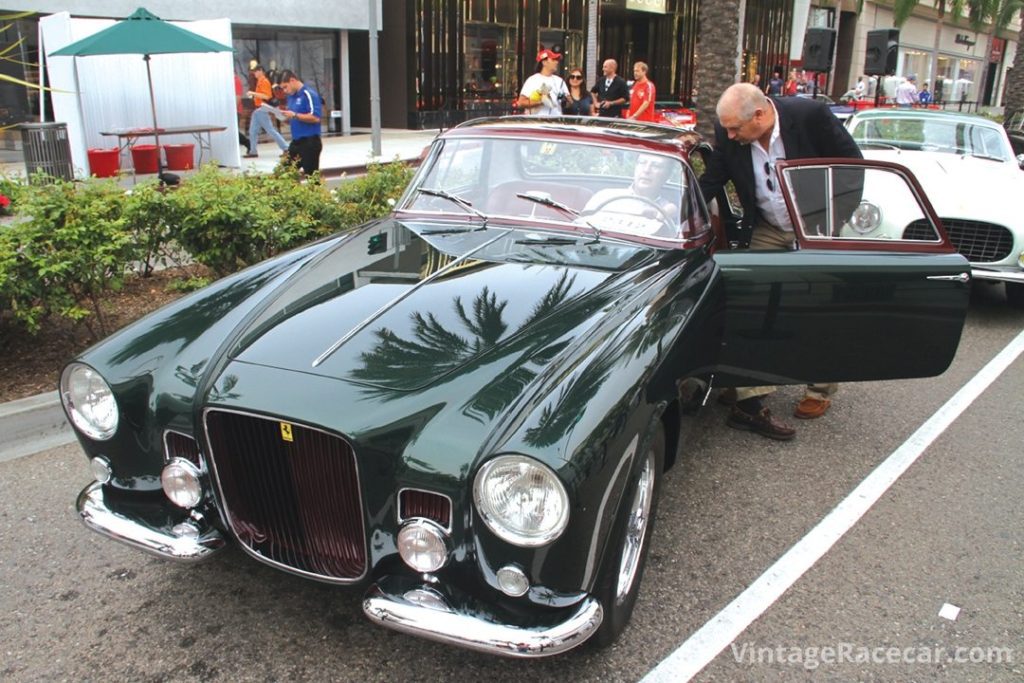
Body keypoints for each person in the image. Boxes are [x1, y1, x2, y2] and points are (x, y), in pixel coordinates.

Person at [698, 83, 862, 439]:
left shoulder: (810, 116)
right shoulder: (730, 131)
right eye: (725, 128)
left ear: (760, 115)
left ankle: (819, 390)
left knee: (818, 307)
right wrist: (678, 210)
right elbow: (713, 180)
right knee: (752, 308)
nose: (728, 135)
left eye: (735, 129)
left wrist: (833, 221)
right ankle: (751, 394)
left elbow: (853, 167)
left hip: (817, 227)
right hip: (768, 227)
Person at [582, 153, 681, 238]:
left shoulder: (668, 212)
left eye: (656, 166)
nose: (646, 170)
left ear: (667, 175)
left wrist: (663, 216)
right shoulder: (605, 196)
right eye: (642, 163)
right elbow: (580, 228)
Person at [279, 69, 323, 175]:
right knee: (285, 173)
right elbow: (296, 117)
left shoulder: (308, 94)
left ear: (292, 80)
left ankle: (315, 191)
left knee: (312, 177)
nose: (285, 90)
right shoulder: (291, 97)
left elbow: (316, 117)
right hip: (296, 142)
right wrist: (287, 118)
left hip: (310, 141)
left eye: (285, 87)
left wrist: (295, 115)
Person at [244, 64, 288, 159]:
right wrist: (255, 95)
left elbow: (267, 96)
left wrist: (253, 93)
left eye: (255, 71)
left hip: (262, 108)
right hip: (260, 109)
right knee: (253, 131)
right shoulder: (261, 81)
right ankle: (253, 151)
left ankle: (286, 148)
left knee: (269, 130)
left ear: (260, 71)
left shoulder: (264, 81)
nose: (254, 73)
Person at [517, 49, 569, 116]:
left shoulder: (560, 81)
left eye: (557, 60)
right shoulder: (532, 80)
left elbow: (568, 104)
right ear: (544, 62)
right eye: (553, 60)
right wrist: (541, 102)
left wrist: (566, 100)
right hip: (537, 122)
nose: (557, 62)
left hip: (556, 122)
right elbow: (521, 103)